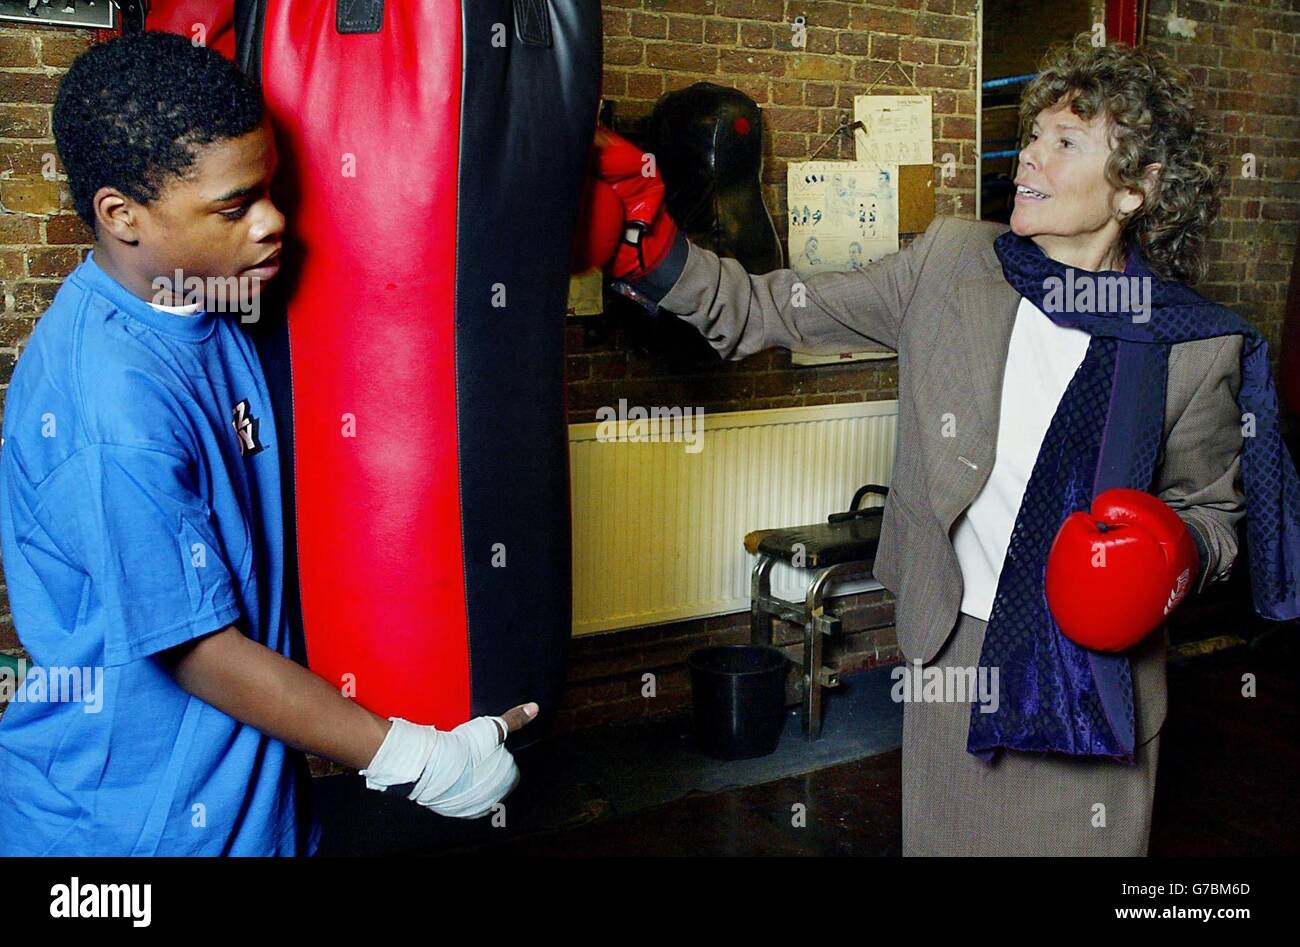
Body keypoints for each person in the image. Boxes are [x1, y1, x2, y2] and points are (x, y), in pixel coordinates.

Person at [584, 34, 1300, 855]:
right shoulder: (953, 264)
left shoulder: (1192, 344)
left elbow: (1212, 514)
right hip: (957, 653)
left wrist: (1171, 553)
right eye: (1033, 135)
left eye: (1065, 143)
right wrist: (656, 252)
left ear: (1137, 188)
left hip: (1099, 683)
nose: (1029, 157)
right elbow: (770, 307)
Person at [0, 30, 534, 856]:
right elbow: (199, 652)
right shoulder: (112, 408)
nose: (273, 223)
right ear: (121, 215)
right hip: (130, 829)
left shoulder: (200, 307)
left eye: (271, 190)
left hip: (251, 805)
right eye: (234, 205)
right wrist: (421, 760)